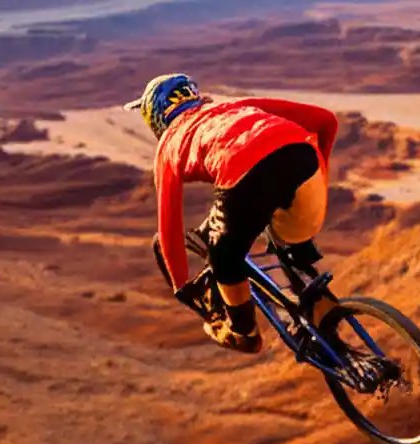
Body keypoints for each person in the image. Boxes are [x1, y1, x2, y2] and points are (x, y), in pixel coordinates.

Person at [124, 73, 337, 353]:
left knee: (224, 253)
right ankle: (322, 308)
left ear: (156, 116)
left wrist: (182, 288)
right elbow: (325, 121)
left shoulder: (169, 144)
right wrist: (322, 172)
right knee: (287, 233)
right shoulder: (233, 106)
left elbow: (169, 228)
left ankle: (244, 331)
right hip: (305, 159)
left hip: (246, 171)